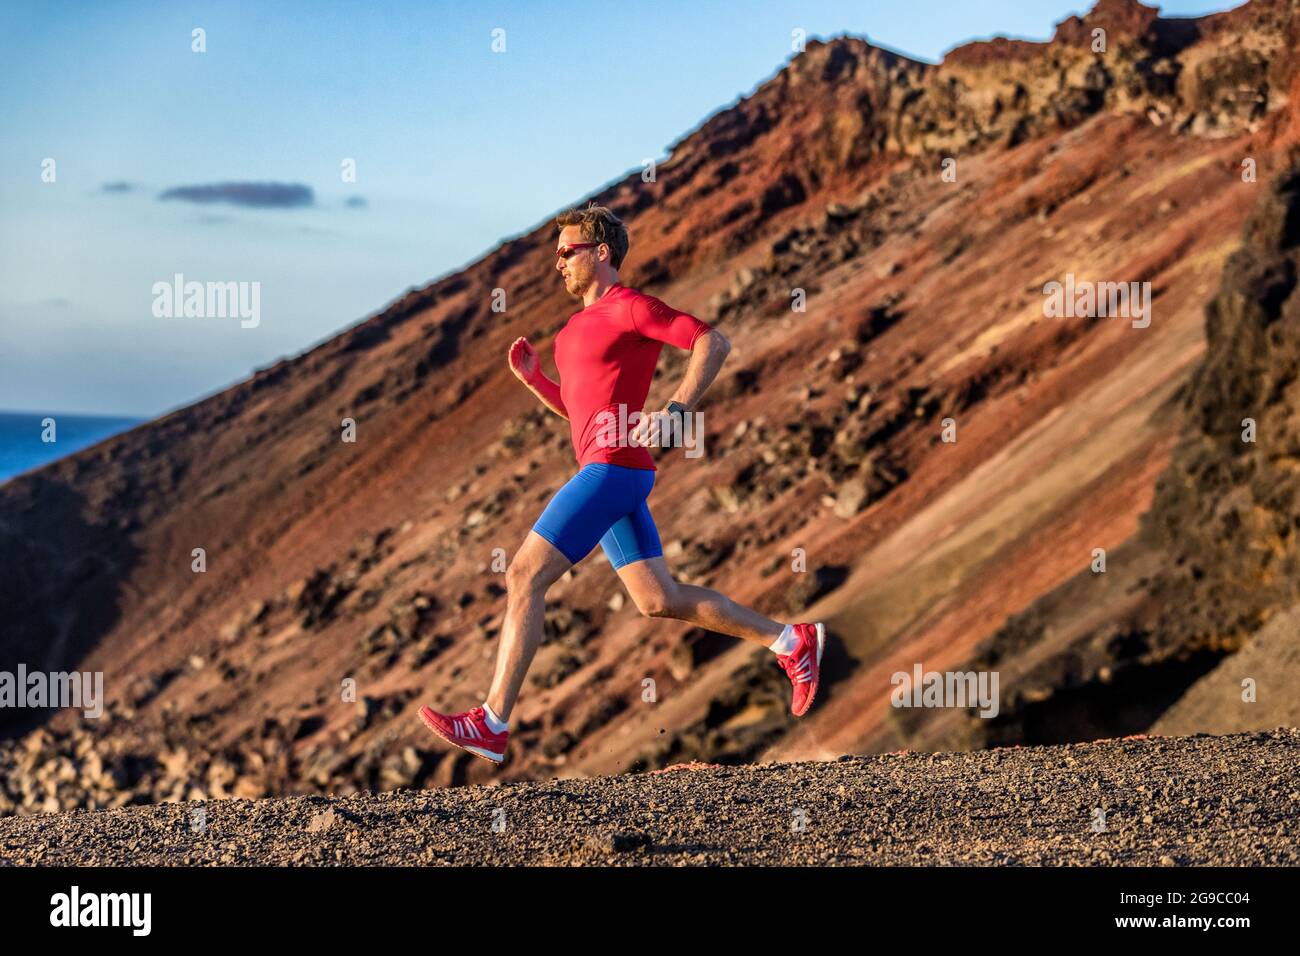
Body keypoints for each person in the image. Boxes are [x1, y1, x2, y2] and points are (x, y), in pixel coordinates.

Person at [419, 204, 825, 764]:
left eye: (567, 252)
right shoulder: (568, 334)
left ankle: (491, 721)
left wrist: (679, 408)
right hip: (608, 470)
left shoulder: (631, 307)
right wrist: (536, 380)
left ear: (600, 253)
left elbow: (713, 341)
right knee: (660, 599)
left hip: (613, 469)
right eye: (556, 254)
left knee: (522, 574)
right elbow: (578, 411)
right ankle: (789, 641)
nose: (557, 263)